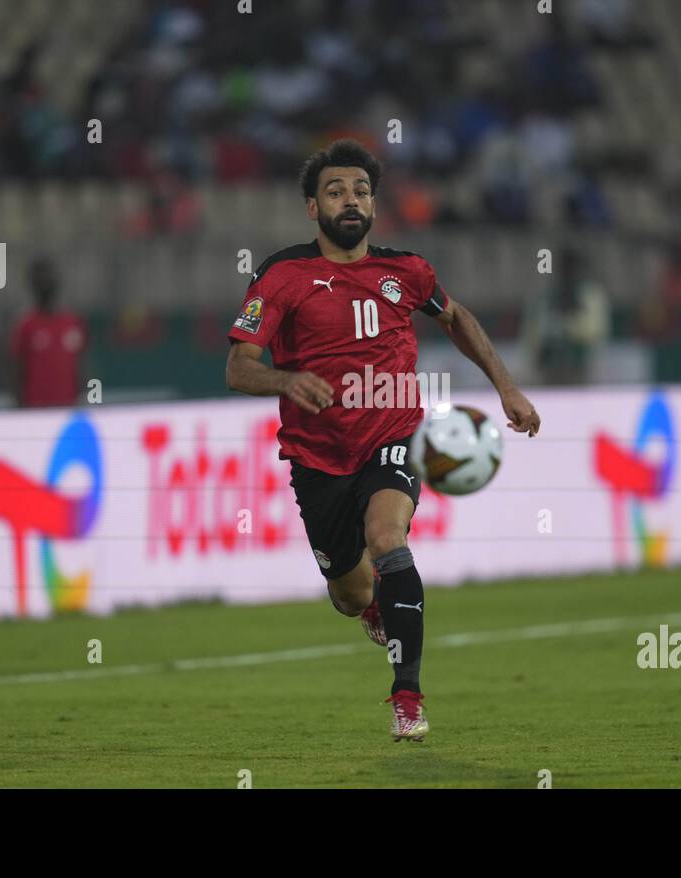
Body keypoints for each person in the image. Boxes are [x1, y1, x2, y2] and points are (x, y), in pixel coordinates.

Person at [226, 139, 541, 741]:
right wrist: (287, 380)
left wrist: (506, 388)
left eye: (362, 191)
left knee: (388, 538)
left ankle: (407, 696)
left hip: (393, 433)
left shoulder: (408, 271)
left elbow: (459, 319)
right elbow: (238, 367)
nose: (352, 201)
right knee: (349, 593)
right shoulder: (283, 274)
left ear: (374, 205)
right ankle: (372, 608)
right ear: (313, 209)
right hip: (317, 456)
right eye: (336, 192)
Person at [9, 259, 87, 408]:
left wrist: (86, 399)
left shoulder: (73, 324)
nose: (46, 284)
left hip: (68, 409)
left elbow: (82, 366)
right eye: (41, 280)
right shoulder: (26, 326)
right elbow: (17, 371)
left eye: (49, 279)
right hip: (36, 411)